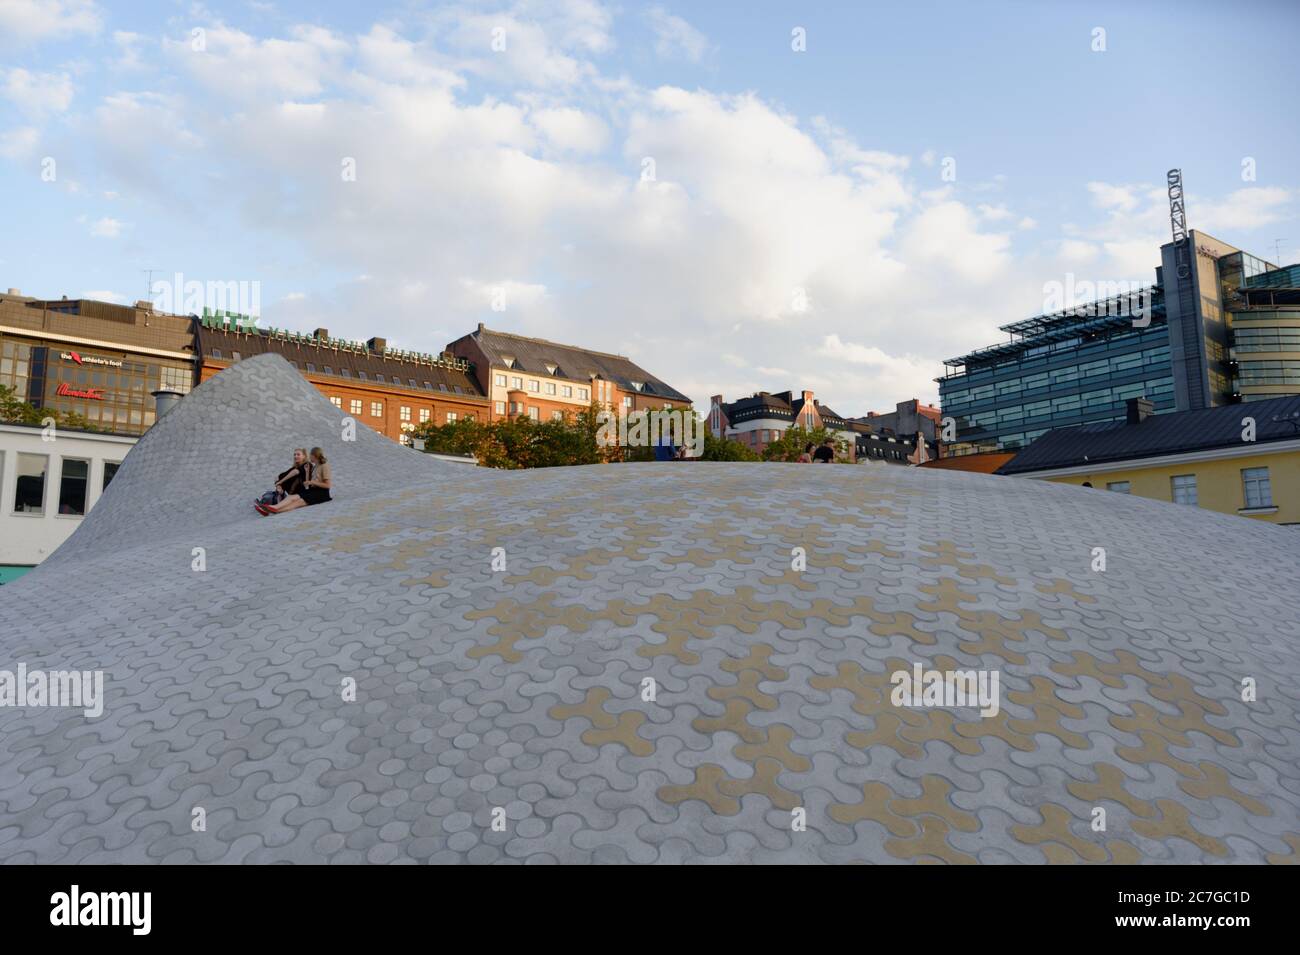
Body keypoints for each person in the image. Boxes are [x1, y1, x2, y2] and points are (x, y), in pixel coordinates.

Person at [257, 447, 331, 515]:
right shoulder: (315, 467)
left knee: (297, 502)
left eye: (310, 455)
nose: (309, 457)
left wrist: (312, 482)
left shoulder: (324, 466)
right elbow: (309, 482)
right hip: (313, 491)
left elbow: (328, 485)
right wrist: (308, 476)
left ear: (314, 456)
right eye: (294, 455)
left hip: (322, 493)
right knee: (292, 498)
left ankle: (275, 508)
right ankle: (274, 509)